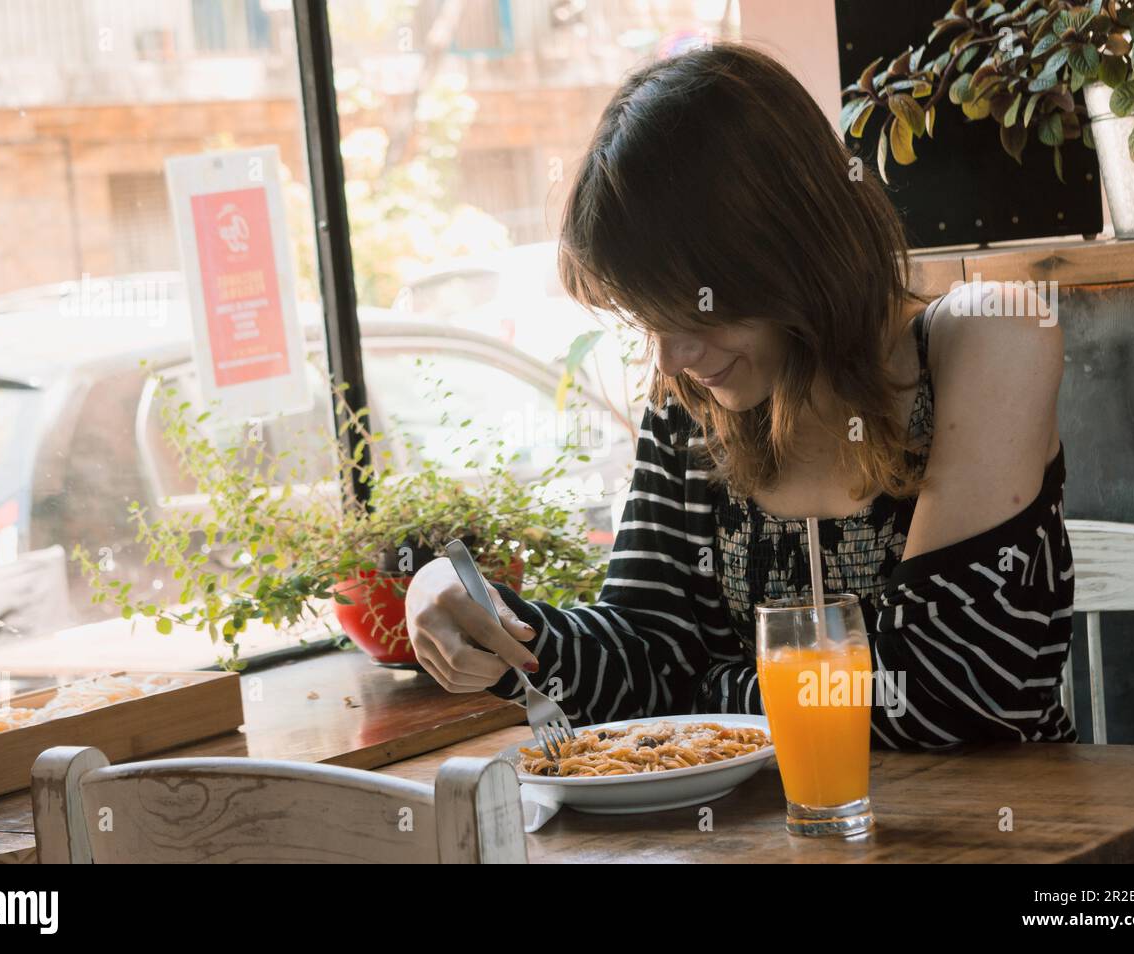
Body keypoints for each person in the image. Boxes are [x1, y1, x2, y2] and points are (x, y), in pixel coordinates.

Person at [403, 42, 1075, 749]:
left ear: (786, 246)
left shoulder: (992, 337)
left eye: (692, 312)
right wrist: (473, 609)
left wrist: (702, 692)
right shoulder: (696, 396)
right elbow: (645, 657)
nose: (670, 356)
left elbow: (953, 693)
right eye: (650, 318)